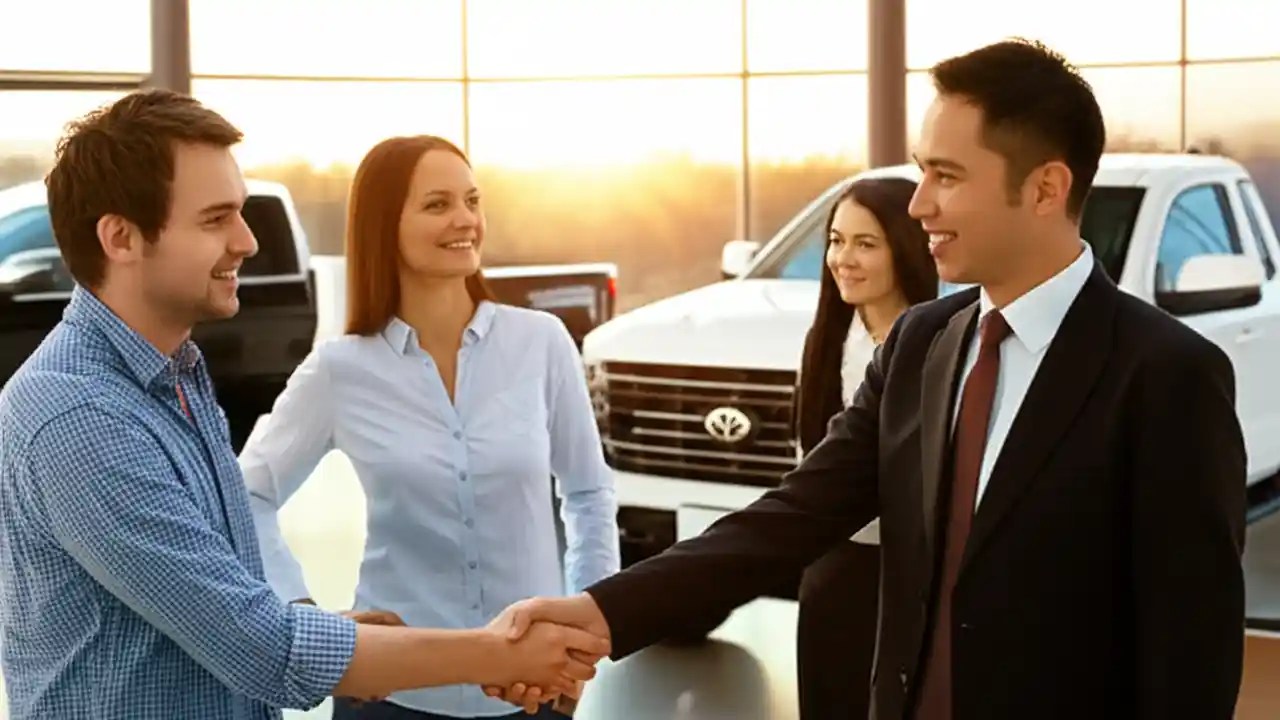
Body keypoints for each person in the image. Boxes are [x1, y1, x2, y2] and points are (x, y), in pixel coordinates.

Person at [487, 38, 1248, 720]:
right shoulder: (923, 344)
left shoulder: (1167, 375)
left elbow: (1190, 654)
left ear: (1046, 188)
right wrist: (600, 612)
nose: (919, 205)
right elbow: (792, 517)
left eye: (945, 176)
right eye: (921, 173)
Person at [0, 90, 607, 720]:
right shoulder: (79, 419)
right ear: (121, 238)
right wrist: (502, 656)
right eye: (216, 219)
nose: (248, 241)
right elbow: (264, 649)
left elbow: (218, 593)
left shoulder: (179, 375)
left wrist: (331, 630)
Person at [237, 133, 620, 720]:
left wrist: (583, 636)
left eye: (472, 200)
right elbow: (248, 495)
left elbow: (589, 493)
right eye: (437, 204)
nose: (464, 219)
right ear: (384, 225)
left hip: (530, 694)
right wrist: (306, 611)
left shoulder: (540, 343)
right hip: (389, 696)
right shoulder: (340, 370)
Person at [793, 177, 936, 719]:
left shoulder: (939, 346)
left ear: (905, 247)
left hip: (909, 579)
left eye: (865, 243)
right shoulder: (828, 340)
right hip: (835, 571)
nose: (842, 259)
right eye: (835, 240)